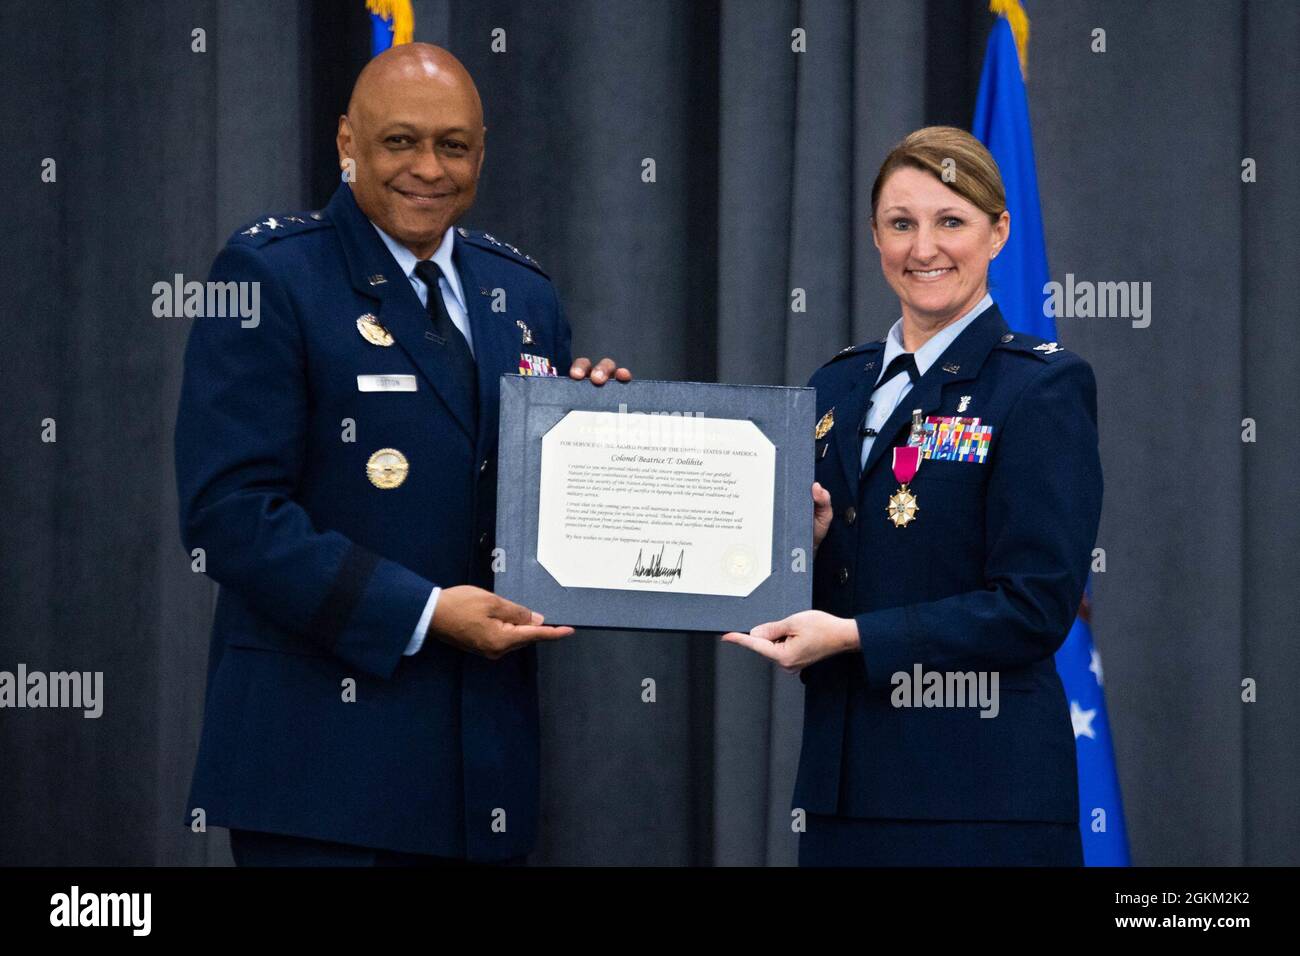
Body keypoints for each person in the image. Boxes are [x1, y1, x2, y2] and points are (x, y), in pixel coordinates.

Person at [175, 43, 630, 866]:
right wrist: (422, 612)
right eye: (399, 142)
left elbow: (534, 512)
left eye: (453, 145)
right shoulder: (272, 275)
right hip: (321, 773)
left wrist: (600, 433)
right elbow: (230, 517)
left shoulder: (521, 295)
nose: (429, 168)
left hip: (481, 772)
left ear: (482, 153)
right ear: (347, 143)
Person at [724, 126, 1102, 866]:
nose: (923, 248)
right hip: (844, 794)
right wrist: (807, 542)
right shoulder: (835, 384)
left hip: (981, 802)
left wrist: (854, 637)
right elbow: (819, 572)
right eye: (902, 224)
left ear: (999, 232)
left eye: (950, 221)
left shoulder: (1040, 387)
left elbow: (1035, 608)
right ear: (875, 235)